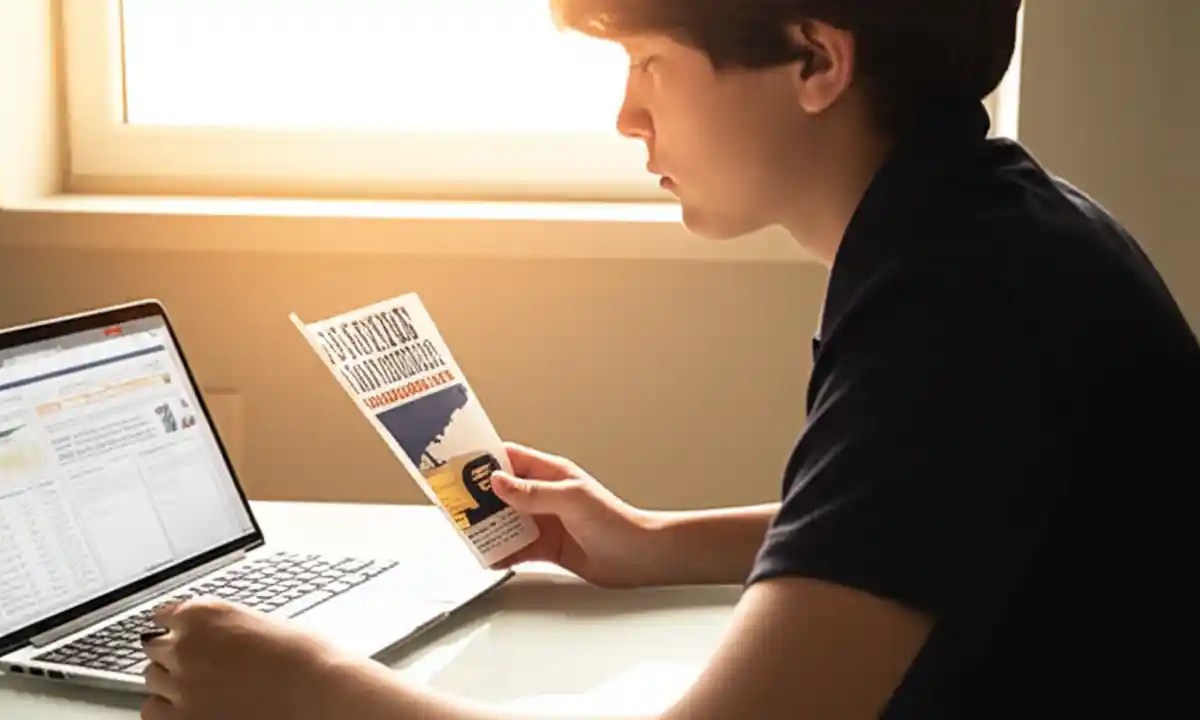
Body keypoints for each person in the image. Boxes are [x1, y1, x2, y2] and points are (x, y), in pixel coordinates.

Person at [137, 1, 1200, 718]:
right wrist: (653, 540)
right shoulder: (985, 230)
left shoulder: (965, 302)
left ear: (814, 61)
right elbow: (919, 528)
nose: (625, 115)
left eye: (647, 63)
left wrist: (321, 692)